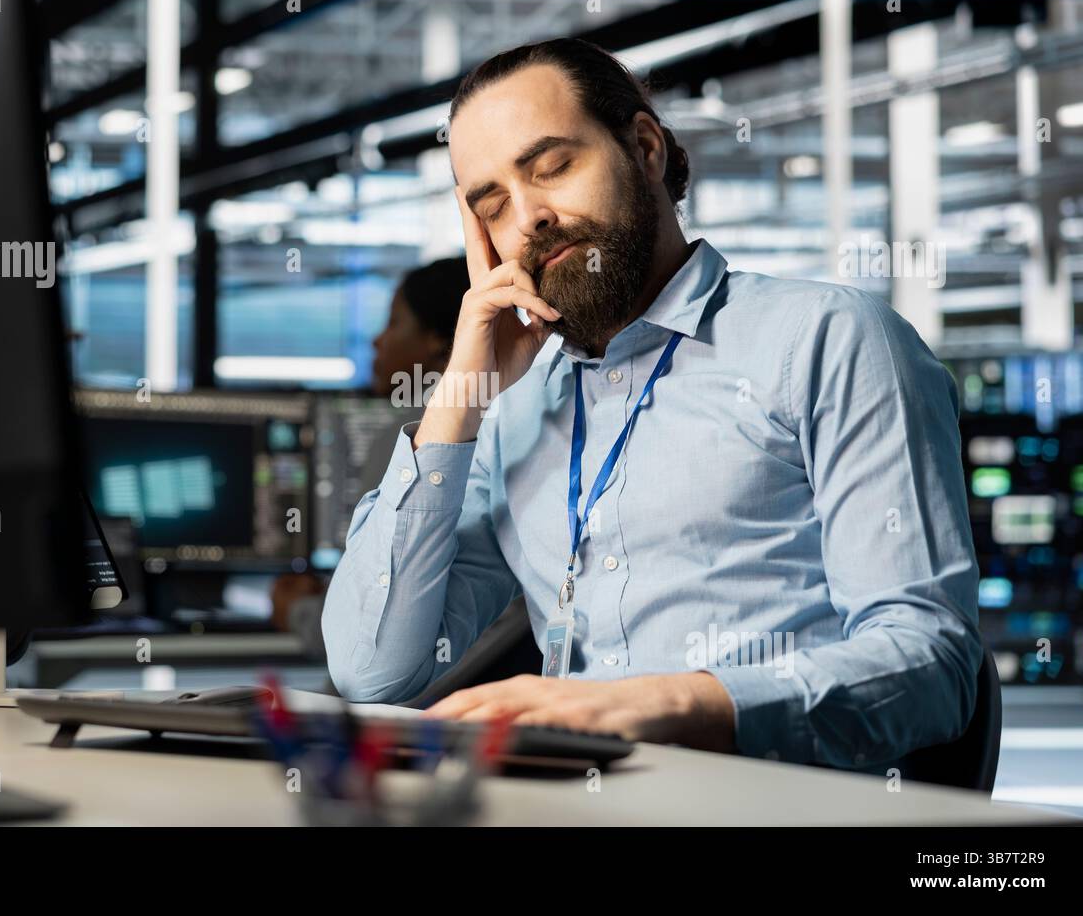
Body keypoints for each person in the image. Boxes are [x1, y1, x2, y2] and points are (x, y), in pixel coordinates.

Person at [320, 38, 981, 773]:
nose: (531, 216)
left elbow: (931, 663)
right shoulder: (514, 412)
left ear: (644, 148)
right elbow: (371, 670)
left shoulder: (831, 340)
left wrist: (672, 705)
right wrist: (461, 394)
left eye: (553, 167)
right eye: (494, 203)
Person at [269, 258, 470, 652]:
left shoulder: (409, 441)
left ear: (434, 339)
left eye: (394, 322)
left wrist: (299, 611)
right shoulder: (505, 421)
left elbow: (370, 634)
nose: (378, 341)